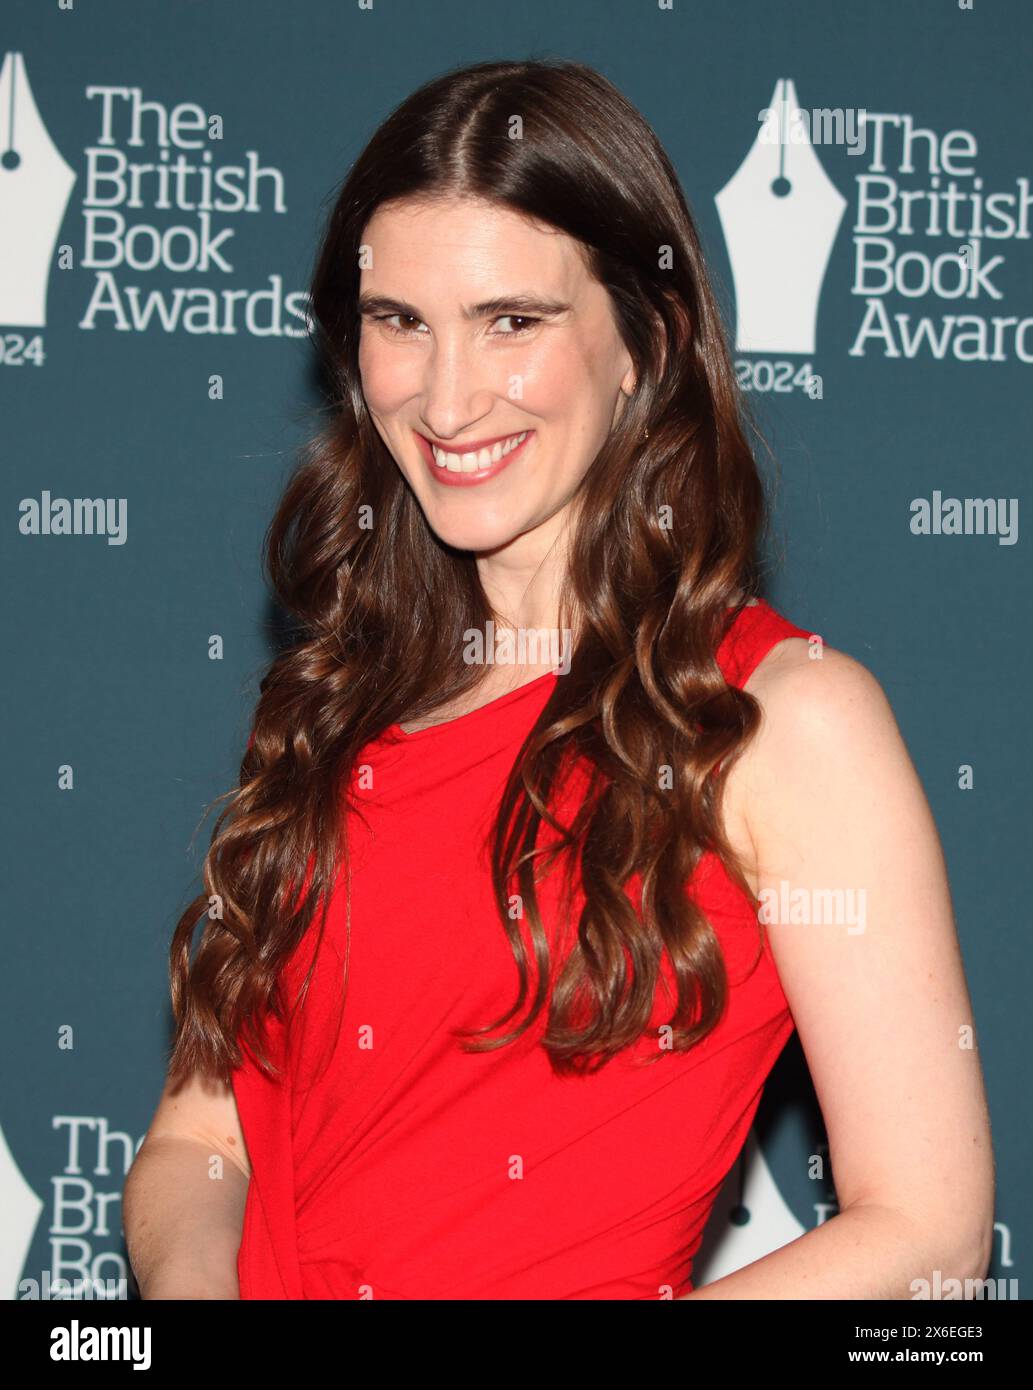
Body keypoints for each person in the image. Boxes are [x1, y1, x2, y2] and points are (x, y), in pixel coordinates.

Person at [123, 58, 993, 1300]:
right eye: (399, 322)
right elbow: (200, 1142)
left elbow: (929, 1232)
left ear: (648, 338)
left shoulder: (778, 720)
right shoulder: (334, 704)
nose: (447, 393)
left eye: (511, 321)